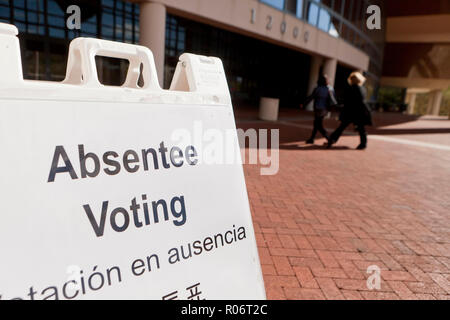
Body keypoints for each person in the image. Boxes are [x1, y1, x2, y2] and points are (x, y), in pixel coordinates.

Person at [327, 71, 372, 150]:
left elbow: (345, 100)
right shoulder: (362, 88)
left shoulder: (349, 88)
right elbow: (362, 100)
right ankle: (363, 144)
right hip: (359, 111)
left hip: (349, 111)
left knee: (342, 127)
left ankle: (332, 139)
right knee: (361, 129)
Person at [302, 74, 337, 144]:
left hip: (318, 109)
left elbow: (311, 97)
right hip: (325, 109)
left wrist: (304, 104)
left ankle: (329, 139)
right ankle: (311, 139)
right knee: (316, 124)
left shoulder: (318, 89)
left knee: (318, 125)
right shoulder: (330, 89)